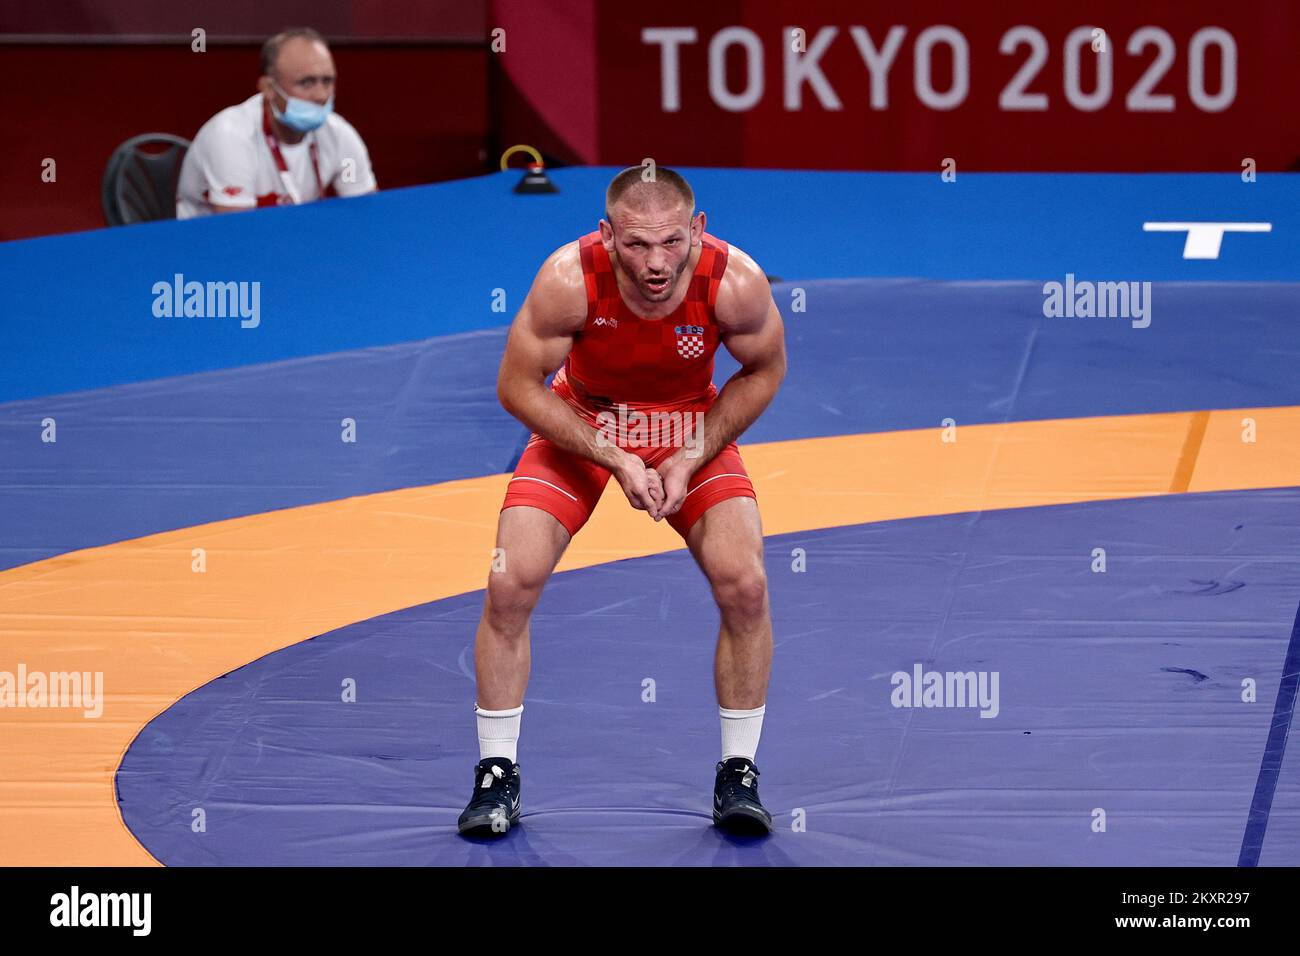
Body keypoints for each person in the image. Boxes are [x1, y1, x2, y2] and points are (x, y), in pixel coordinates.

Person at [458, 166, 787, 837]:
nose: (658, 262)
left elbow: (765, 370)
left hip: (686, 423)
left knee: (745, 584)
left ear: (699, 229)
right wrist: (614, 455)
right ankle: (496, 777)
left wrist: (691, 454)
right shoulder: (566, 280)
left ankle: (739, 775)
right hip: (585, 422)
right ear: (607, 236)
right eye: (637, 245)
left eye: (672, 242)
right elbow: (518, 387)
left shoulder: (736, 282)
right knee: (509, 582)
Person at [176, 27, 376, 218]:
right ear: (269, 87)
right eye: (306, 82)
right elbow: (236, 233)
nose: (321, 95)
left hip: (288, 239)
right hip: (208, 245)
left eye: (327, 81)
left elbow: (365, 211)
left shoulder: (339, 134)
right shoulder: (229, 137)